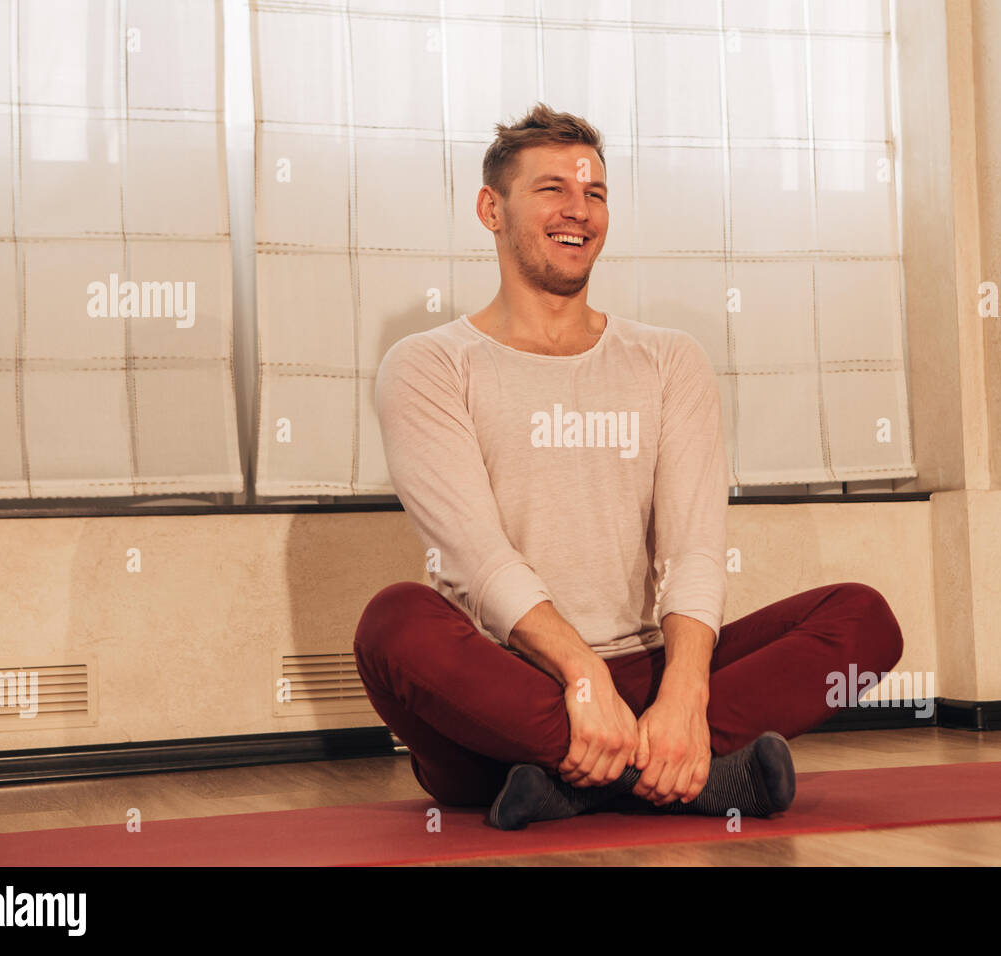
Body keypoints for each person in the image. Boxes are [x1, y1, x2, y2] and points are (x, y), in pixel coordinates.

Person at [354, 102, 904, 830]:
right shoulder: (428, 364)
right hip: (506, 688)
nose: (577, 210)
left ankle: (579, 780)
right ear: (492, 208)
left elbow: (692, 548)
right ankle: (690, 771)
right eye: (552, 188)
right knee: (393, 624)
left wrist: (683, 689)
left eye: (596, 192)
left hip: (643, 674)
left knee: (865, 621)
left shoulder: (668, 360)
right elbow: (477, 560)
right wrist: (581, 676)